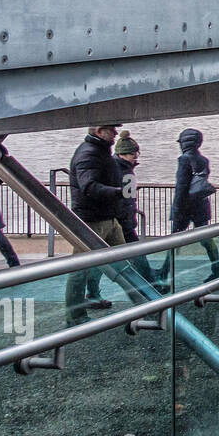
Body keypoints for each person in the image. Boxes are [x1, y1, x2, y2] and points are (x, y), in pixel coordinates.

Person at [66, 125, 125, 324]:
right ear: (99, 132)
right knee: (80, 268)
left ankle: (143, 301)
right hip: (92, 220)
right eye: (112, 130)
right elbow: (89, 186)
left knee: (123, 260)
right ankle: (75, 316)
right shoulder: (88, 155)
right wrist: (118, 192)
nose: (116, 134)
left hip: (107, 217)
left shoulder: (99, 153)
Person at [169, 128, 219, 282]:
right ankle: (216, 269)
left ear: (184, 143)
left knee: (171, 242)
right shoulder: (203, 160)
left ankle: (165, 275)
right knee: (206, 239)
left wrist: (176, 210)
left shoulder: (184, 160)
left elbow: (181, 187)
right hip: (201, 205)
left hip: (185, 207)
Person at [112, 130, 153, 284]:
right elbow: (127, 200)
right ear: (123, 154)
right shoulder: (126, 173)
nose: (135, 157)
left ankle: (92, 290)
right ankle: (150, 282)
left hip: (119, 220)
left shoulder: (115, 168)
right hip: (123, 221)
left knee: (105, 259)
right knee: (137, 253)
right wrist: (128, 220)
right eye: (133, 154)